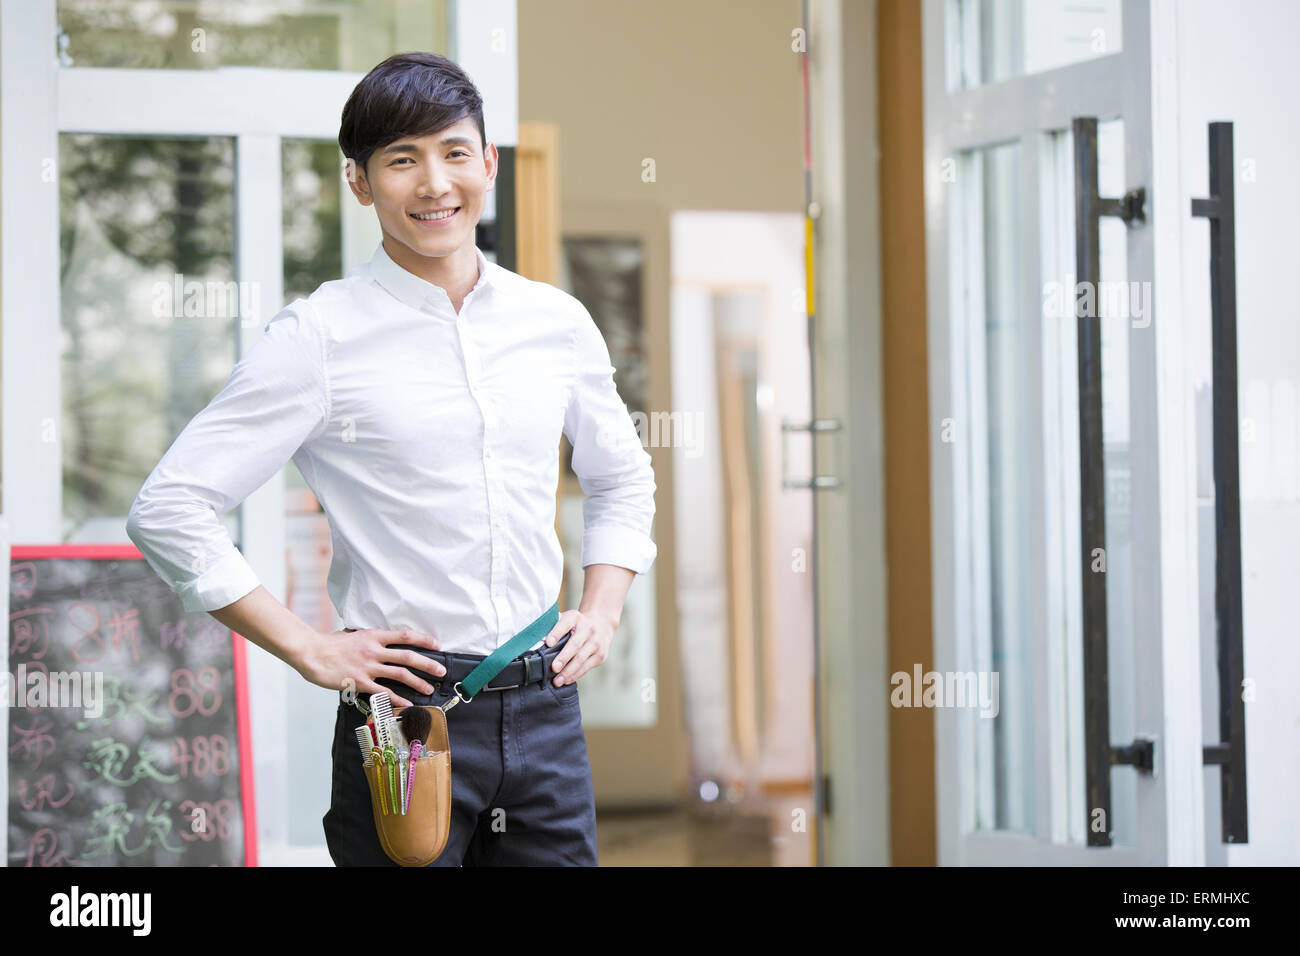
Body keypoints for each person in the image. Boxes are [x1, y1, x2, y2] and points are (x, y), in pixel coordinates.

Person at [125, 51, 657, 866]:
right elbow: (169, 506)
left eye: (453, 152)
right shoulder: (320, 337)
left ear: (487, 163)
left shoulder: (555, 322)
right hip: (402, 715)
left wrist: (606, 605)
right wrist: (308, 647)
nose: (434, 183)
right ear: (360, 183)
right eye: (402, 160)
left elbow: (621, 477)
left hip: (546, 704)